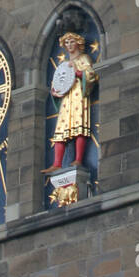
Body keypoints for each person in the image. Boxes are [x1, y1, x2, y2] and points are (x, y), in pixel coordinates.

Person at [45, 31, 98, 172]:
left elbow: (91, 75)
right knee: (61, 128)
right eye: (66, 43)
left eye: (71, 42)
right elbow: (58, 81)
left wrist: (79, 73)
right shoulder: (64, 65)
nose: (69, 45)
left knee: (79, 125)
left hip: (78, 96)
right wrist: (55, 92)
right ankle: (57, 163)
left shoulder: (84, 58)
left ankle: (78, 159)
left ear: (78, 43)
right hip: (67, 99)